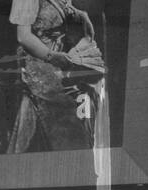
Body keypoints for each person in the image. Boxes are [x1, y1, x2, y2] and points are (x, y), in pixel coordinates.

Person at [7, 0, 106, 154]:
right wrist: (52, 57)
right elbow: (23, 37)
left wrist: (79, 14)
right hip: (38, 63)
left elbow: (59, 8)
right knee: (69, 124)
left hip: (61, 60)